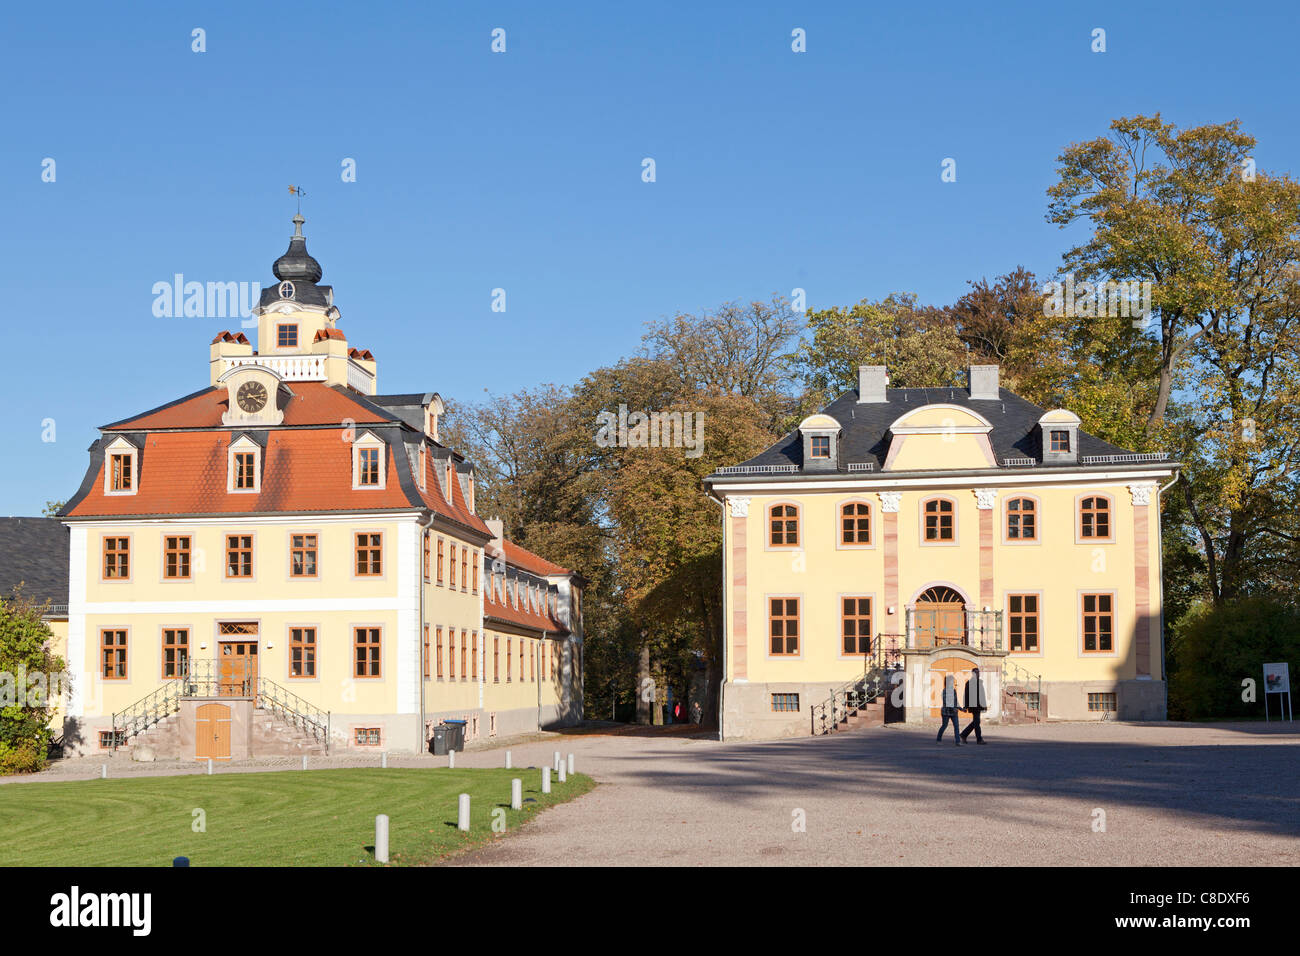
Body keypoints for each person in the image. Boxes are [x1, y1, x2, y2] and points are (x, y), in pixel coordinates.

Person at [961, 666, 988, 744]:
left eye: (978, 672)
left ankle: (963, 735)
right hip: (973, 705)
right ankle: (979, 739)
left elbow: (982, 694)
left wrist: (984, 704)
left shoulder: (980, 682)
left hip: (979, 705)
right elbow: (966, 695)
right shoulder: (969, 683)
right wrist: (965, 706)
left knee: (976, 722)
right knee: (977, 722)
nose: (978, 674)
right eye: (976, 672)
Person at [936, 675, 961, 745]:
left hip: (954, 712)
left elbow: (956, 702)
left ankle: (958, 741)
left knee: (956, 726)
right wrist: (954, 708)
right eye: (952, 681)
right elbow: (946, 702)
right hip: (946, 712)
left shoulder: (954, 691)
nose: (953, 682)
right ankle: (938, 740)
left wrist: (961, 709)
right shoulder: (944, 691)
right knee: (944, 725)